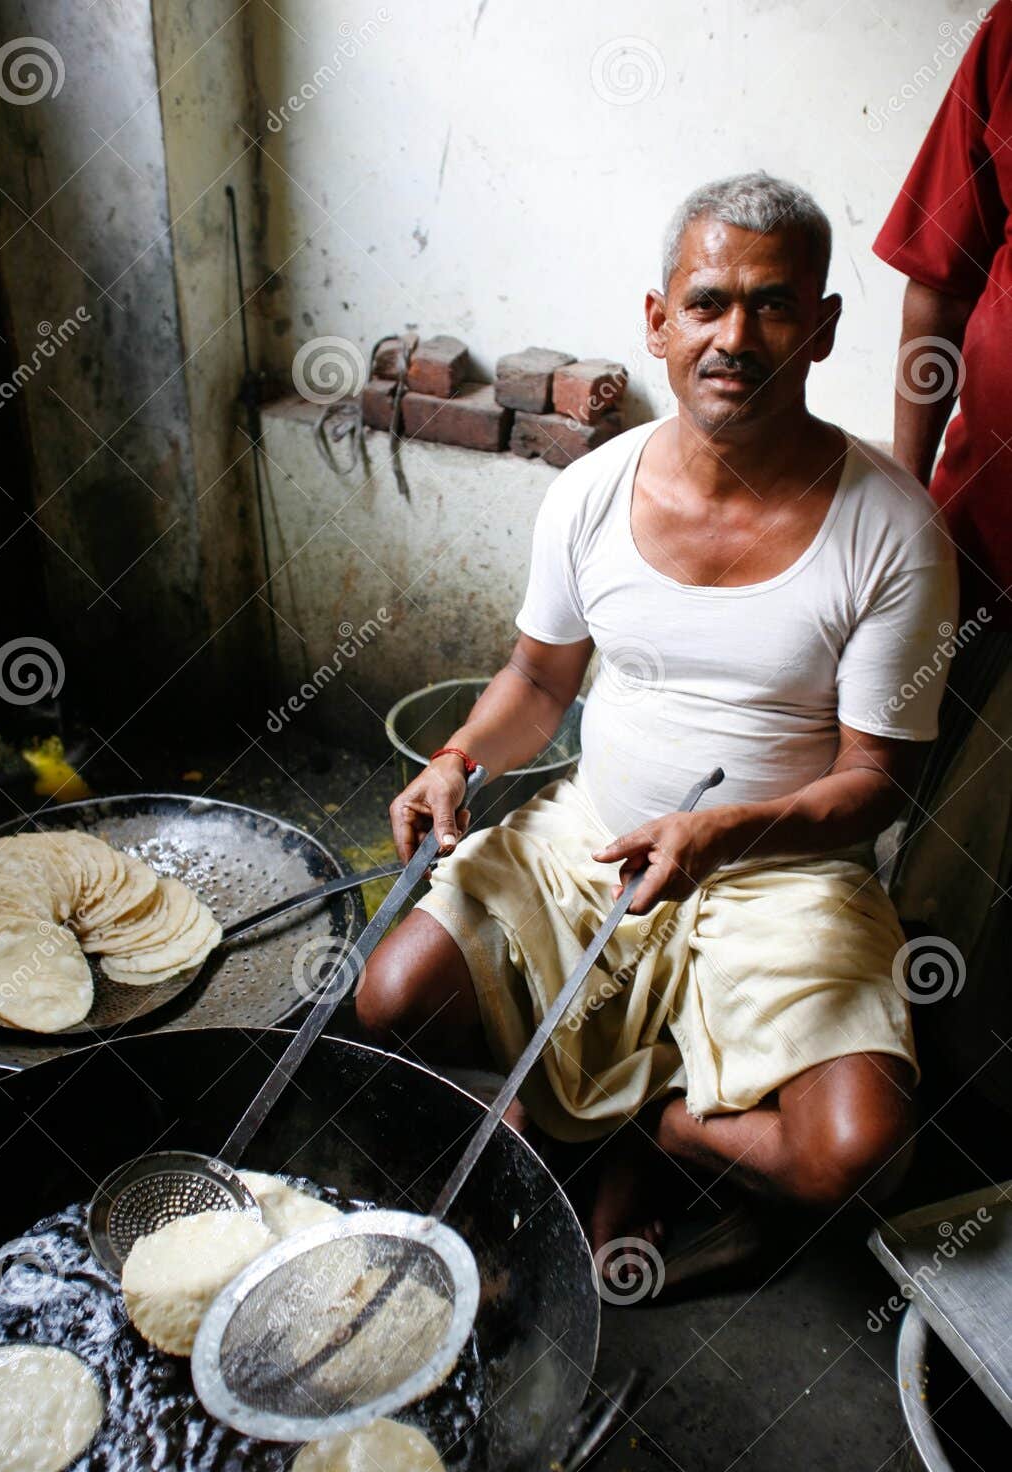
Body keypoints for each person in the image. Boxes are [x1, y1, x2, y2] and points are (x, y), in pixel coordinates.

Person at [355, 172, 958, 1263]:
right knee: (386, 1000)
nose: (734, 336)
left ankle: (657, 1125)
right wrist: (454, 759)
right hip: (592, 840)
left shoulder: (893, 528)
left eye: (772, 305)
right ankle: (614, 1095)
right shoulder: (591, 492)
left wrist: (721, 834)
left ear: (819, 330)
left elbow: (878, 780)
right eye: (706, 303)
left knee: (854, 1156)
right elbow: (537, 685)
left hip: (784, 875)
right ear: (656, 320)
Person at [873, 1, 1012, 1110]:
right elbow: (940, 272)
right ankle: (924, 1117)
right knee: (937, 876)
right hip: (986, 531)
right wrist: (905, 499)